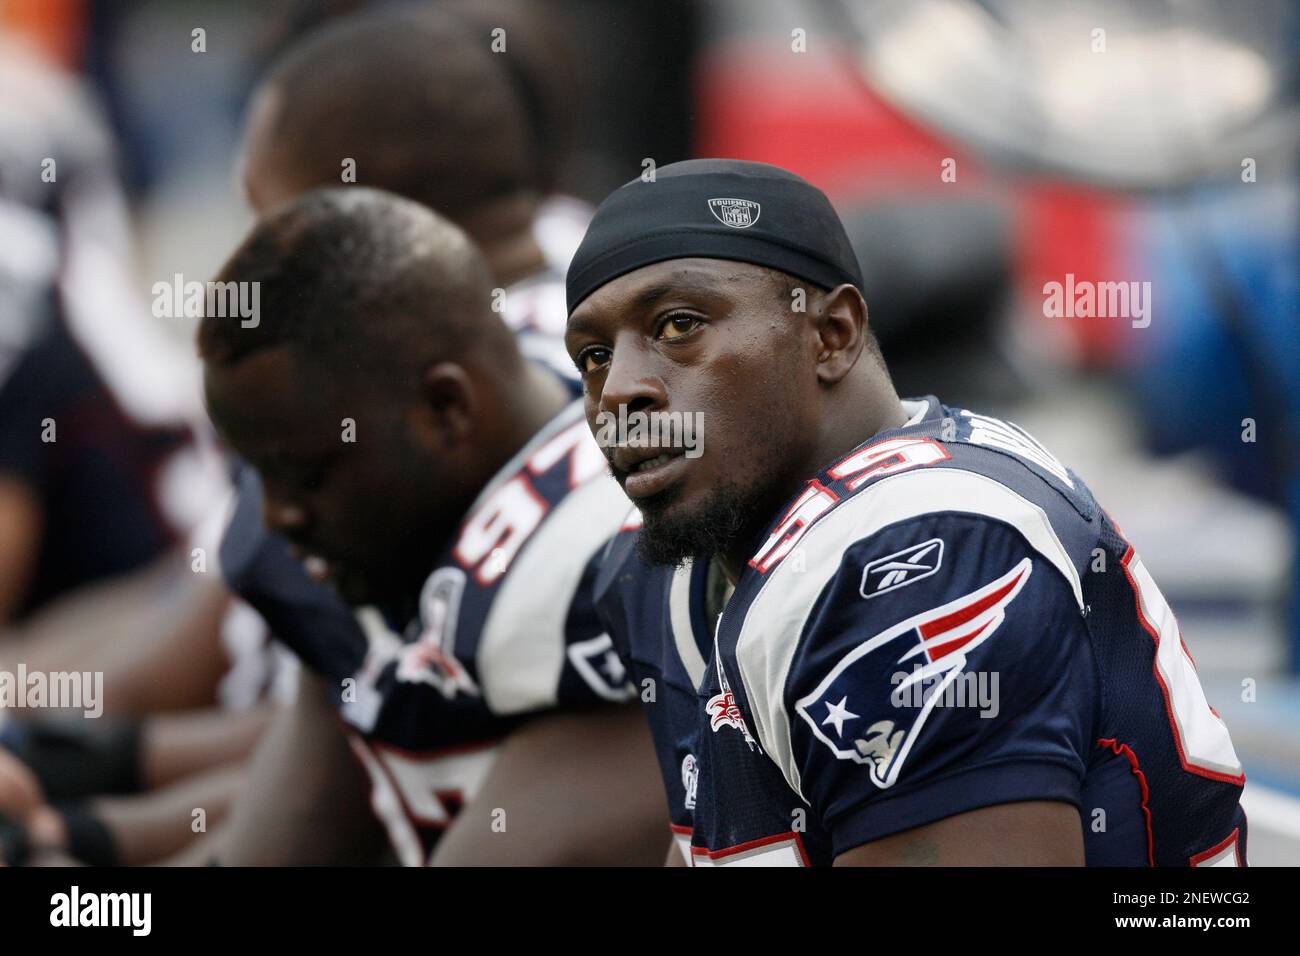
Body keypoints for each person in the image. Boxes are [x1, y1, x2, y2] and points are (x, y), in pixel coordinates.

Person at [565, 158, 1248, 866]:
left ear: (830, 334)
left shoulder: (927, 549)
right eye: (591, 356)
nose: (618, 391)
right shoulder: (667, 568)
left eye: (679, 325)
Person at [199, 187, 664, 865]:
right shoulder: (395, 510)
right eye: (257, 475)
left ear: (446, 410)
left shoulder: (600, 560)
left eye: (305, 474)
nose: (277, 516)